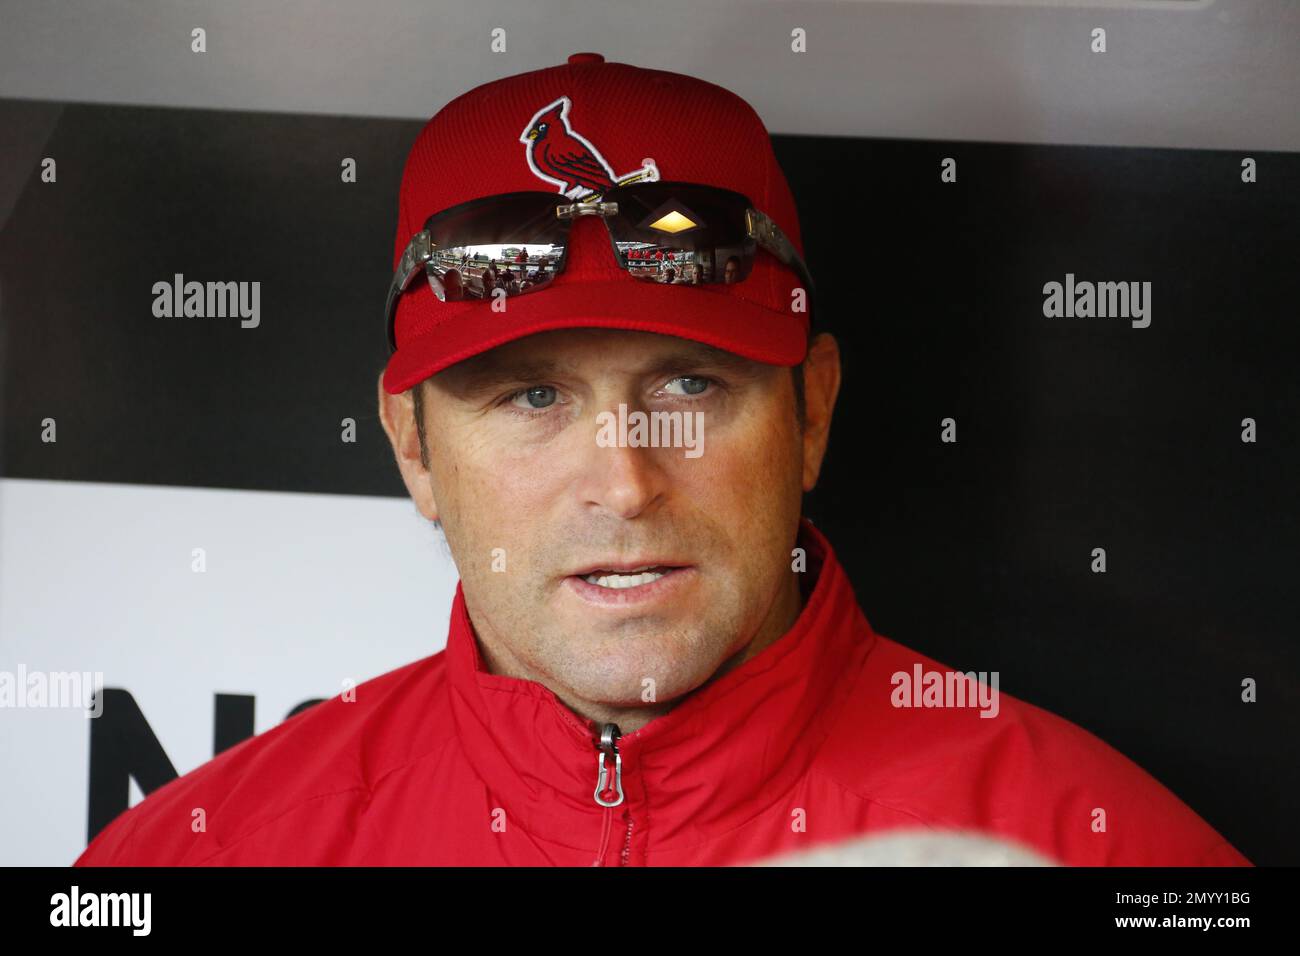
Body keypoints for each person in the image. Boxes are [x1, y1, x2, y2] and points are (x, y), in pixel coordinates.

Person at [75, 51, 1249, 867]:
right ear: (414, 451)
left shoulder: (1096, 846)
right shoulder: (208, 849)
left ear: (813, 413)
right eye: (532, 395)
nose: (626, 480)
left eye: (691, 385)